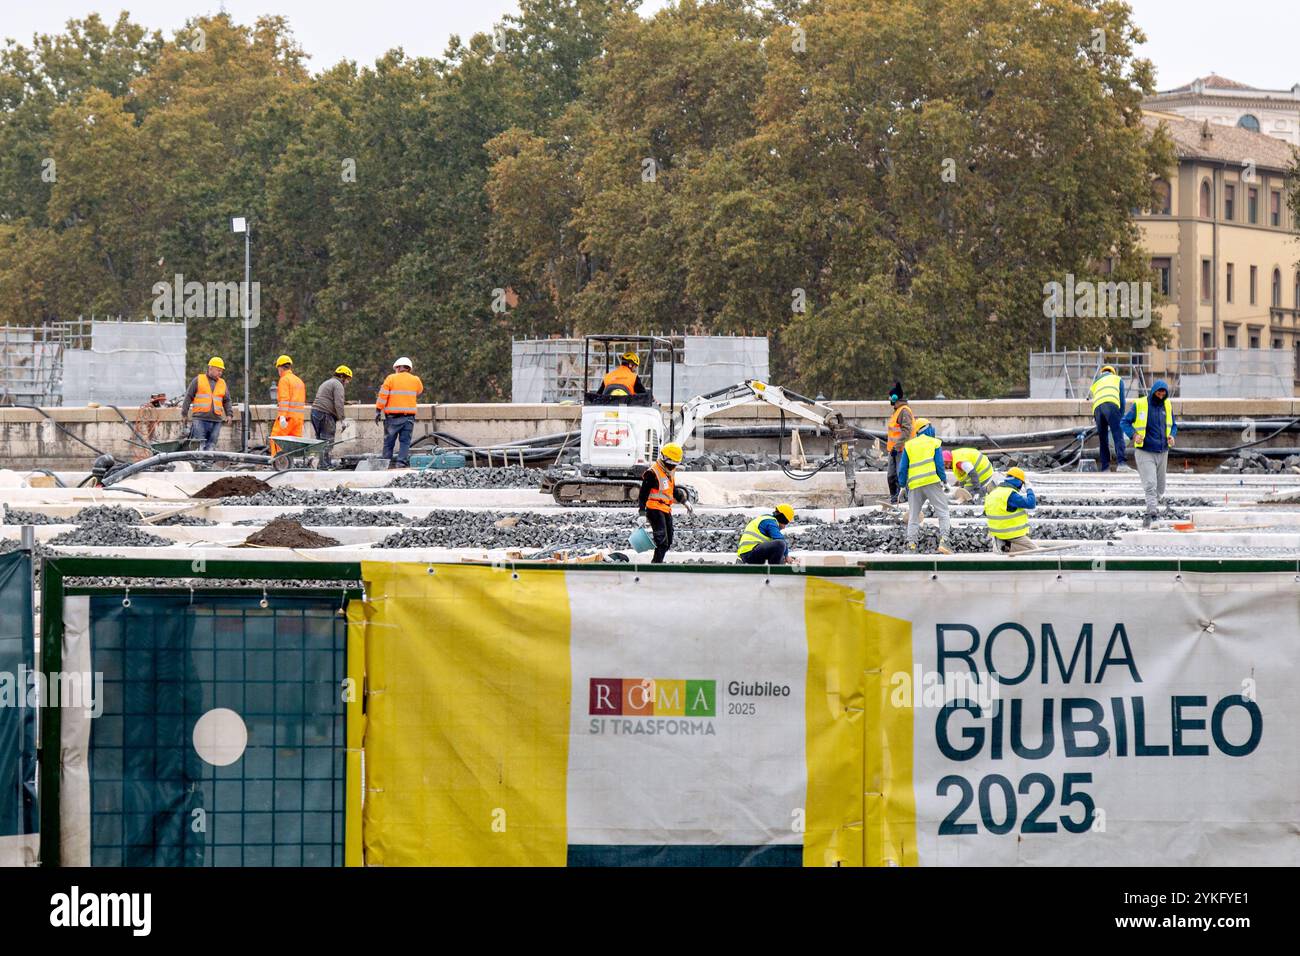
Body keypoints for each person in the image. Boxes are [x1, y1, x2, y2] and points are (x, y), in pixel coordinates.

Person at [1122, 379, 1177, 528]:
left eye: (1163, 393)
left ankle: (1148, 514)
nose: (1161, 396)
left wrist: (1172, 435)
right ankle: (1153, 515)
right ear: (1153, 391)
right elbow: (1124, 422)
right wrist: (1133, 435)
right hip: (1145, 451)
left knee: (1160, 488)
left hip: (1162, 451)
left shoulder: (1167, 405)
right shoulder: (1140, 404)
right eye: (1158, 392)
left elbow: (1174, 425)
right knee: (1150, 484)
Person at [898, 417, 952, 554]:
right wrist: (944, 481)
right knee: (943, 513)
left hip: (915, 485)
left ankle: (911, 545)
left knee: (913, 516)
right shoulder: (934, 443)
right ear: (926, 428)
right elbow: (939, 465)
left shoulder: (909, 445)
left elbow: (903, 468)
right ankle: (945, 542)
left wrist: (902, 486)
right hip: (932, 482)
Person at [637, 442, 689, 563]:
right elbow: (642, 495)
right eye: (670, 464)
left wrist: (684, 501)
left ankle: (656, 563)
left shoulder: (669, 470)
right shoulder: (652, 473)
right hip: (654, 509)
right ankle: (656, 565)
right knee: (662, 541)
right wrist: (642, 513)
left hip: (665, 509)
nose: (672, 467)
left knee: (668, 540)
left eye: (674, 465)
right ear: (664, 458)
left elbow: (672, 489)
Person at [375, 357, 424, 467]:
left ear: (397, 367)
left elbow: (383, 396)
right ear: (409, 369)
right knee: (405, 442)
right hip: (409, 418)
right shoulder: (416, 380)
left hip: (393, 418)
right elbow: (419, 391)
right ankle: (401, 463)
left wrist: (378, 410)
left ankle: (385, 463)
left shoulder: (391, 378)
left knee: (389, 442)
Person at [181, 357, 232, 451]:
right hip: (200, 419)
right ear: (210, 368)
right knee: (200, 445)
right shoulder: (198, 380)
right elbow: (188, 396)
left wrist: (229, 414)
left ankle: (207, 465)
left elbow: (227, 400)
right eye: (218, 370)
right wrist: (184, 413)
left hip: (216, 420)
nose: (220, 373)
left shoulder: (222, 383)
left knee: (211, 445)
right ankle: (200, 464)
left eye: (221, 371)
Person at [984, 467, 1039, 553]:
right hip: (1010, 533)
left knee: (1032, 548)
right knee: (1035, 551)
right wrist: (1029, 488)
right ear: (1019, 482)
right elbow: (1031, 503)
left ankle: (1003, 544)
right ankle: (1005, 546)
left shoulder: (994, 492)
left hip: (996, 532)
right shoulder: (1010, 494)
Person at [1090, 364, 1129, 472]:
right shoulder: (1117, 379)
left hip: (1097, 409)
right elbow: (1122, 400)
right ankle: (1121, 463)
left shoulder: (1096, 382)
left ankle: (1105, 467)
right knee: (1117, 434)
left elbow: (1096, 399)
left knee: (1103, 439)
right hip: (1111, 405)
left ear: (1102, 372)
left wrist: (1095, 417)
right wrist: (1121, 417)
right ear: (1113, 372)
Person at [311, 365, 352, 468]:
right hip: (325, 414)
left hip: (315, 413)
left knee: (320, 441)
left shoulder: (327, 382)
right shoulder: (338, 384)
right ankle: (325, 465)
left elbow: (328, 398)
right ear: (342, 376)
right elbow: (338, 403)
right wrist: (343, 419)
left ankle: (321, 464)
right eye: (347, 379)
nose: (348, 382)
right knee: (328, 441)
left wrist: (345, 402)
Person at [269, 355, 306, 457]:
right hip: (298, 419)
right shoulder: (299, 381)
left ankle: (279, 463)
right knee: (294, 444)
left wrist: (282, 417)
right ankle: (292, 464)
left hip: (288, 418)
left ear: (280, 368)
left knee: (276, 439)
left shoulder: (284, 380)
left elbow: (284, 400)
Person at [885, 382, 915, 503]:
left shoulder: (904, 411)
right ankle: (894, 498)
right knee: (891, 476)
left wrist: (896, 447)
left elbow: (906, 431)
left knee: (901, 475)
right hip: (893, 450)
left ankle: (906, 499)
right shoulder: (897, 411)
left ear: (895, 398)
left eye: (890, 398)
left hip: (901, 450)